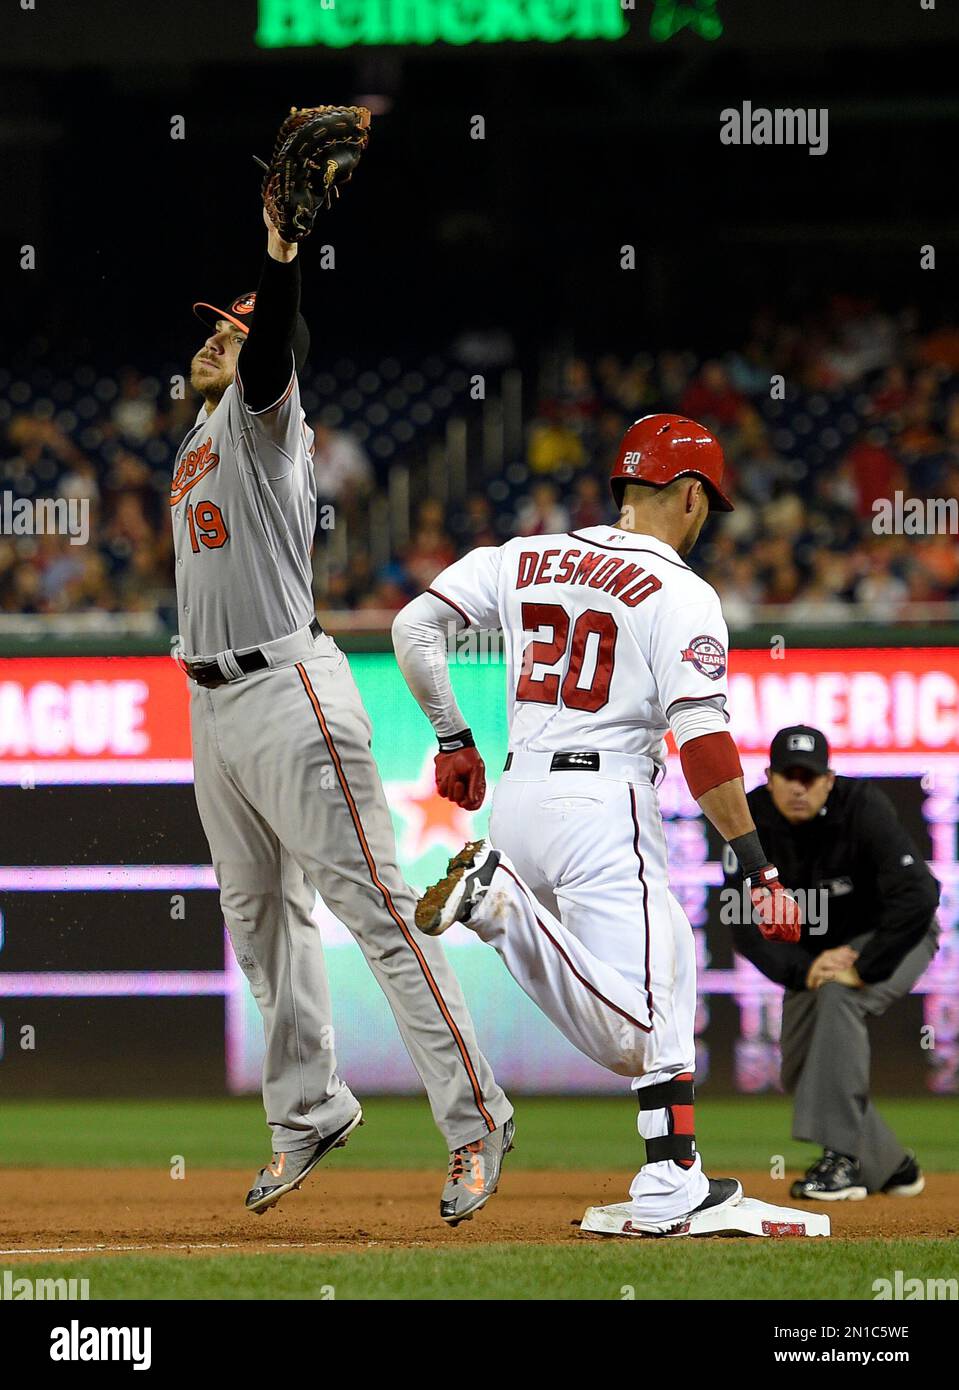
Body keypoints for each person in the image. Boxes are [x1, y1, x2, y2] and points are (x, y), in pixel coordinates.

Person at [172, 178, 512, 1225]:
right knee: (259, 919)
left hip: (286, 689)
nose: (214, 345)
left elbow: (272, 351)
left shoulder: (265, 416)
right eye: (211, 333)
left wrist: (279, 254)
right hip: (212, 703)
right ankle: (309, 1107)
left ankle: (474, 1118)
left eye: (228, 335)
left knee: (368, 907)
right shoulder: (194, 443)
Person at [392, 413, 804, 1237]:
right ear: (689, 494)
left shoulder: (524, 554)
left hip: (518, 795)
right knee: (641, 1027)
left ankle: (670, 1176)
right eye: (705, 503)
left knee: (661, 986)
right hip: (601, 802)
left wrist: (451, 736)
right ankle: (500, 905)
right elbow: (704, 742)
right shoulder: (682, 591)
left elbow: (413, 627)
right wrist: (757, 866)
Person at [725, 725, 940, 1201]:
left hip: (895, 936)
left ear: (829, 779)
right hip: (820, 953)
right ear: (770, 777)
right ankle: (893, 1166)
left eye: (810, 776)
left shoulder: (861, 807)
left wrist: (862, 966)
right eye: (788, 775)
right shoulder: (752, 819)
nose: (799, 786)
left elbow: (921, 896)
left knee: (841, 995)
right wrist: (803, 971)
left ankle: (844, 1161)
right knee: (801, 1067)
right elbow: (743, 922)